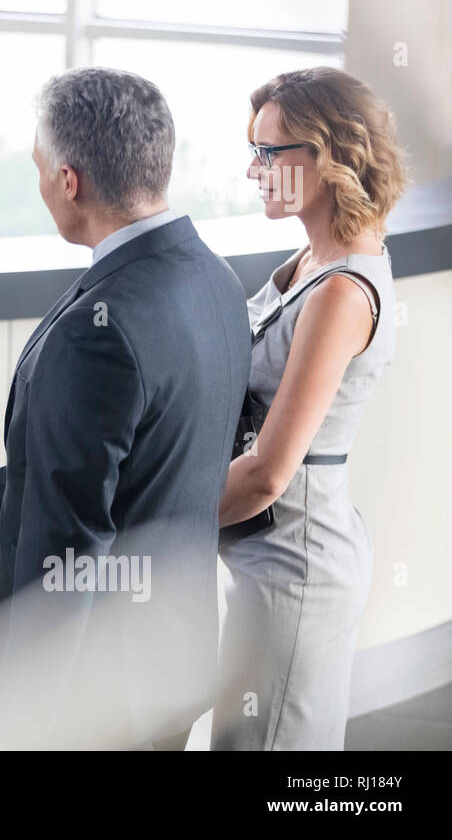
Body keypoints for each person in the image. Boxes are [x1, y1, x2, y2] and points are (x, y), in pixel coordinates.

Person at [0, 67, 251, 750]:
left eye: (38, 169)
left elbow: (74, 540)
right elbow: (128, 465)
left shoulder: (102, 329)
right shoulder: (215, 280)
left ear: (69, 181)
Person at [211, 67, 406, 750]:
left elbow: (267, 474)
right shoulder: (311, 260)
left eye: (268, 153)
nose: (252, 170)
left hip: (295, 570)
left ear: (328, 156)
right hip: (269, 558)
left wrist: (148, 516)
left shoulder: (340, 293)